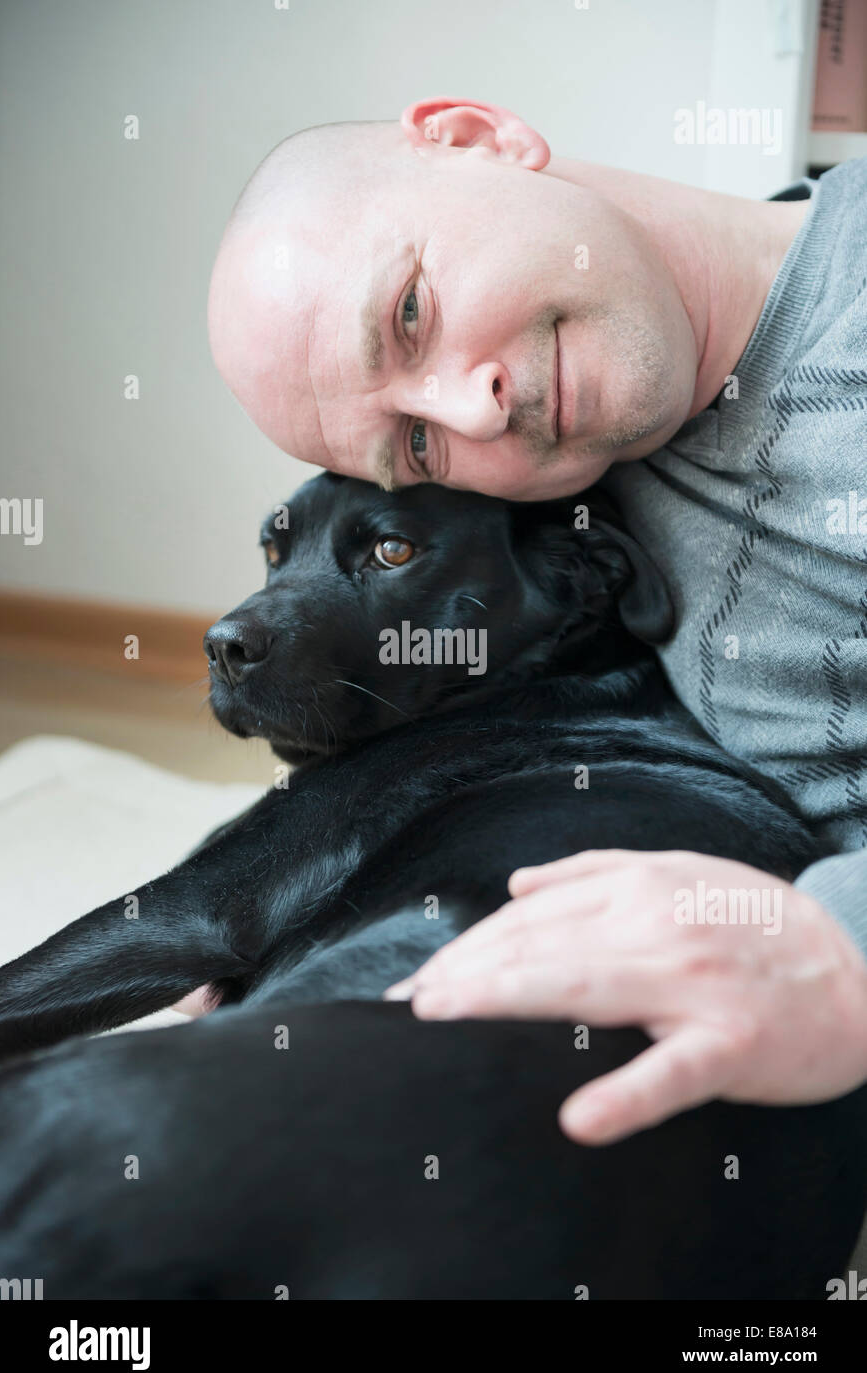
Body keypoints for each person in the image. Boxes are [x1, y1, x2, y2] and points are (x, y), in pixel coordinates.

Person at [207, 98, 867, 1146]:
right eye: (416, 447)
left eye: (411, 312)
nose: (472, 412)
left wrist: (843, 949)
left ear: (476, 139)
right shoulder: (570, 494)